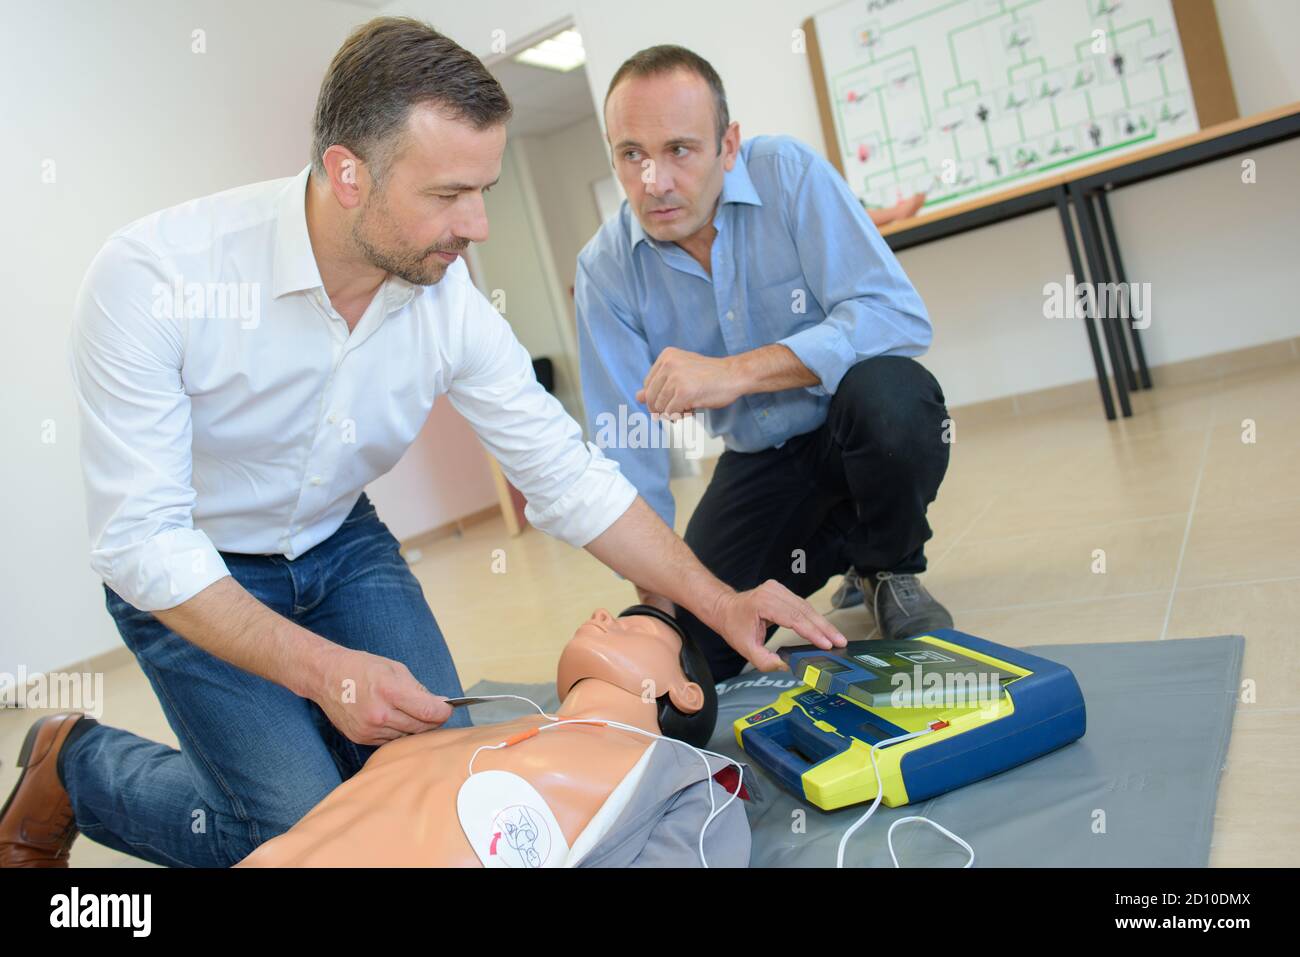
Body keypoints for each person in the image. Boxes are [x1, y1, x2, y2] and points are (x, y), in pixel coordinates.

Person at [0, 19, 842, 870]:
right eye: (448, 195)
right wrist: (327, 674)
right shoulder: (153, 280)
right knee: (303, 827)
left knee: (444, 776)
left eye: (485, 188)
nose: (477, 225)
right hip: (195, 571)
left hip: (342, 542)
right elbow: (143, 544)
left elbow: (565, 475)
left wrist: (715, 599)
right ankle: (77, 765)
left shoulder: (447, 303)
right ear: (347, 173)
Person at [576, 45, 954, 681]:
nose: (654, 182)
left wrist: (735, 372)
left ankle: (888, 564)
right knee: (701, 650)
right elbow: (625, 450)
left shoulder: (791, 175)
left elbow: (897, 316)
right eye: (631, 154)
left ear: (728, 146)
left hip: (848, 426)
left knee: (895, 399)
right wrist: (662, 610)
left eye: (679, 150)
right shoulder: (605, 269)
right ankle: (844, 547)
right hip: (757, 463)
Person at [237, 606, 750, 868]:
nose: (600, 614)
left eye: (636, 627)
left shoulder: (687, 783)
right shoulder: (462, 728)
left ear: (685, 693)